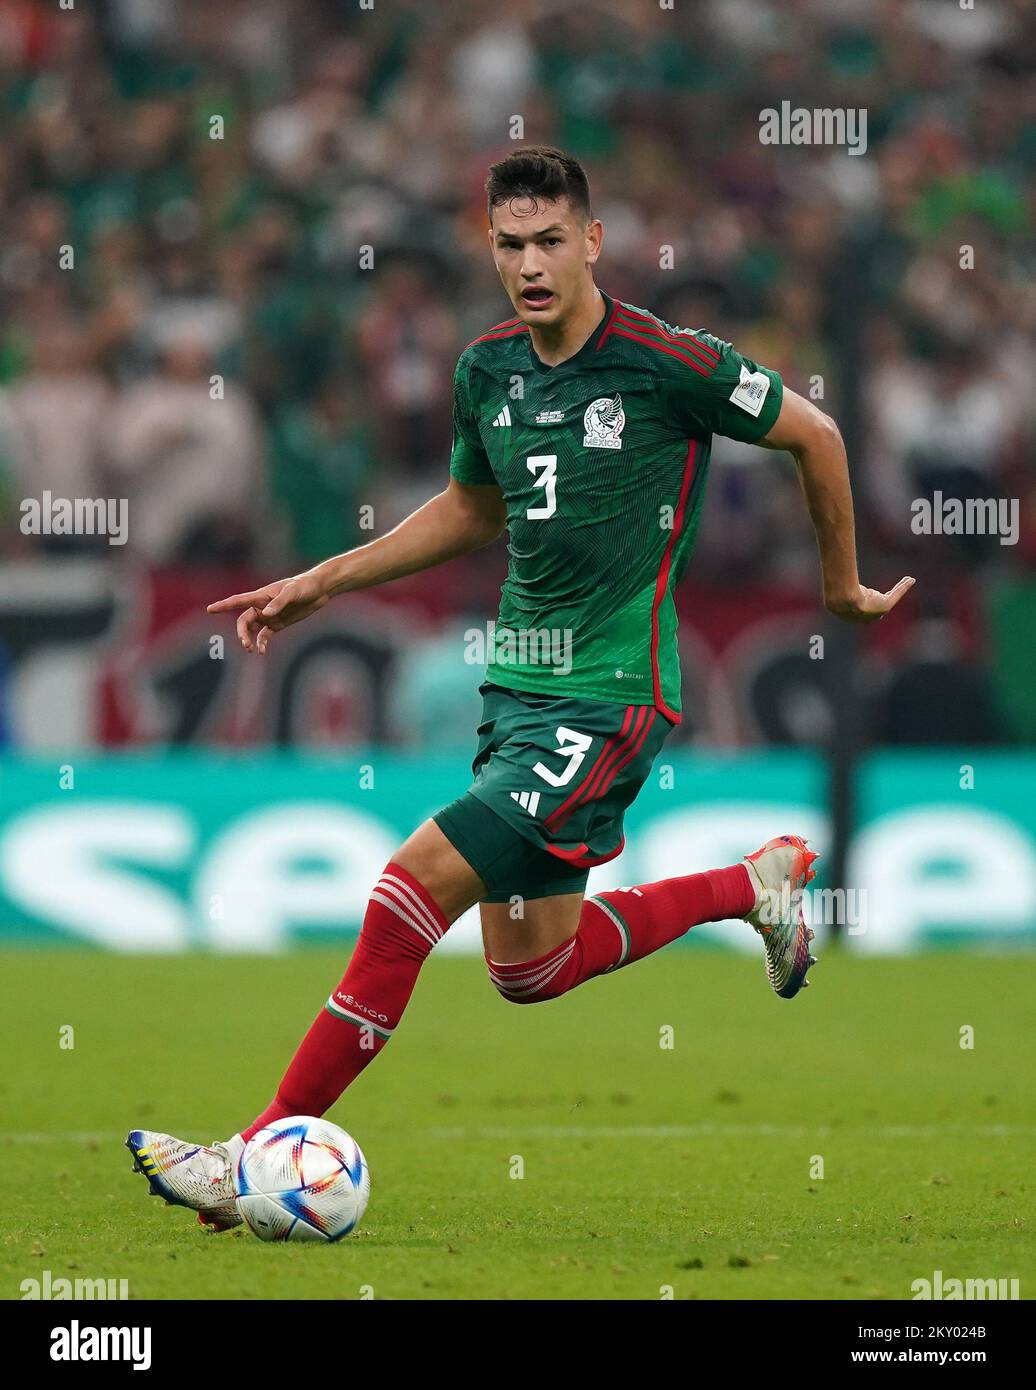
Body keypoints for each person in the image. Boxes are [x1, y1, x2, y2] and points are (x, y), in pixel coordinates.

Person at [127, 147, 913, 1230]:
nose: (531, 264)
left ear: (592, 241)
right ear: (488, 248)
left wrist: (840, 587)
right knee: (529, 971)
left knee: (407, 894)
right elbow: (471, 508)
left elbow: (814, 434)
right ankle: (755, 883)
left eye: (551, 241)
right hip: (518, 691)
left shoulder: (666, 361)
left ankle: (248, 1152)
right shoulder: (486, 368)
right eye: (510, 245)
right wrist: (322, 577)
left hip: (612, 694)